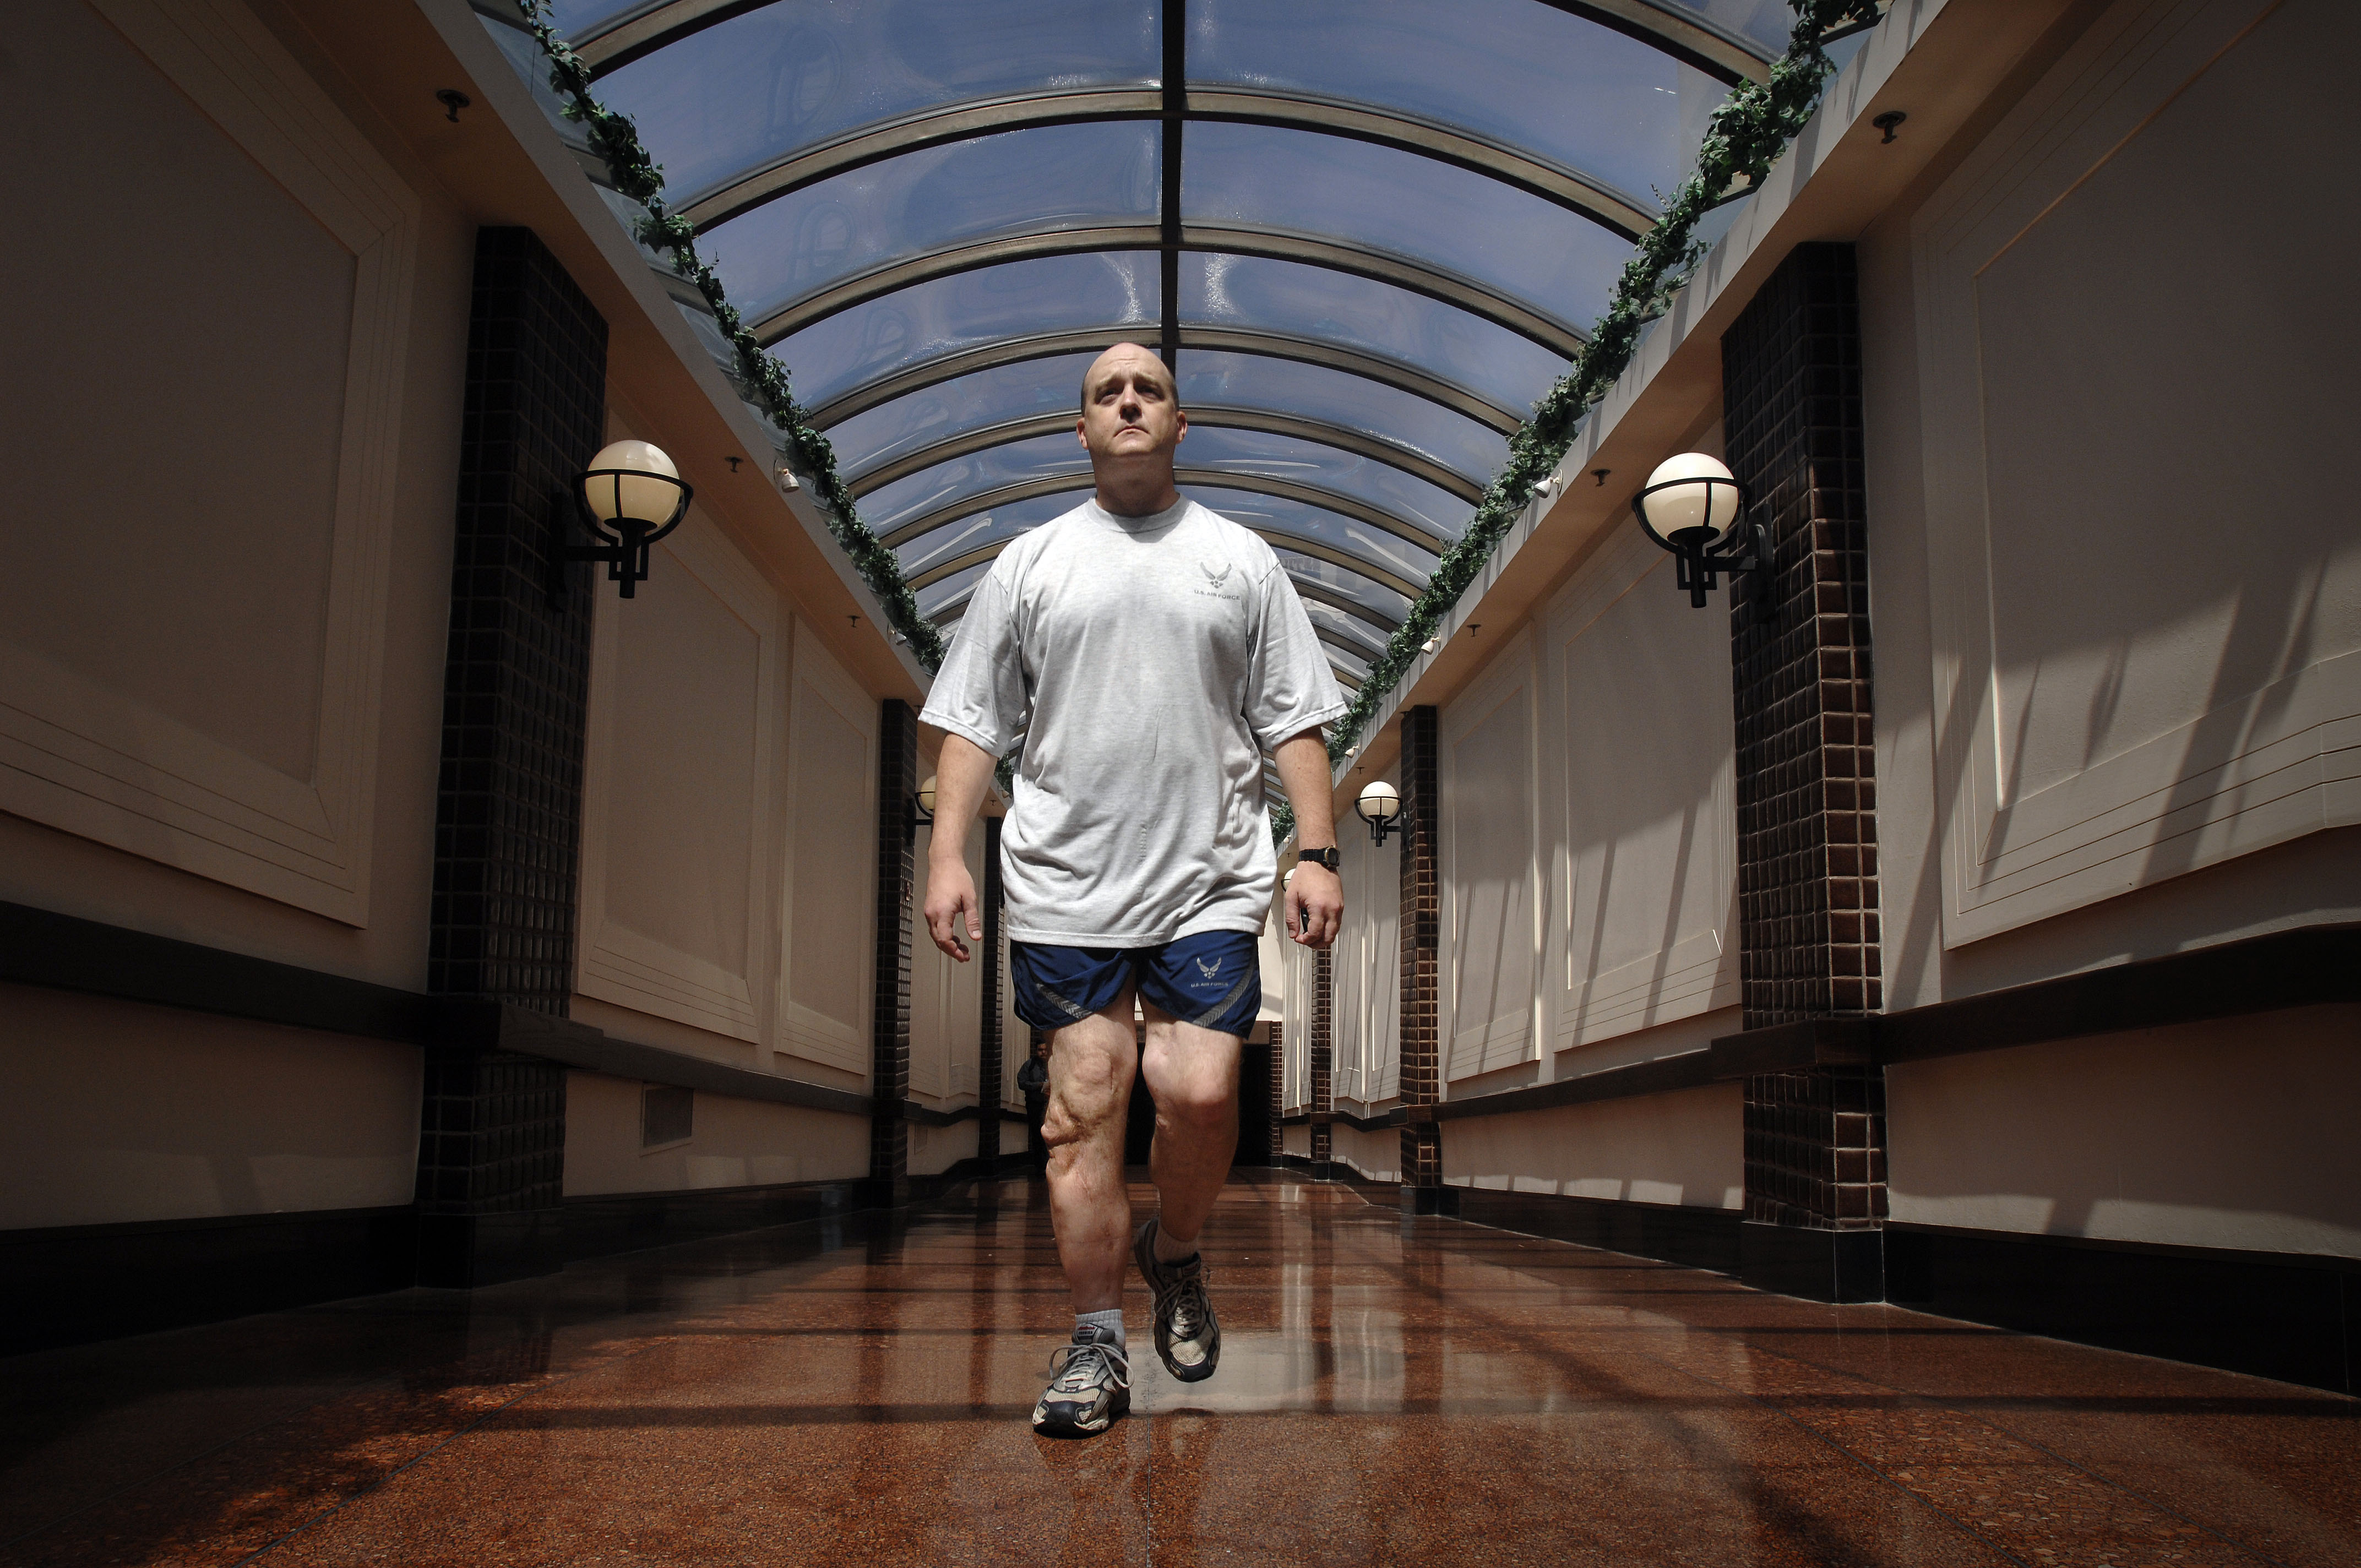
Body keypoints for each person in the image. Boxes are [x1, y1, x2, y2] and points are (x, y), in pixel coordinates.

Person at [919, 342, 1346, 1438]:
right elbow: (970, 722)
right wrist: (948, 853)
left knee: (1202, 1090)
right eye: (1106, 391)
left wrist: (1317, 848)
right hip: (1065, 884)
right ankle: (1097, 1338)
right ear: (1081, 428)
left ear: (1176, 421)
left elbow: (1291, 713)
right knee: (1083, 1109)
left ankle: (1179, 1249)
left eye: (1146, 388)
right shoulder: (1031, 562)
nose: (1126, 401)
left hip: (1205, 876)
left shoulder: (1238, 559)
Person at [1016, 1033, 1052, 1177]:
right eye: (1040, 1050)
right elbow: (1022, 1082)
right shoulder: (1029, 1065)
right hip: (1035, 1106)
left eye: (1045, 1049)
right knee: (1037, 1135)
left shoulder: (1053, 1064)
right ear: (1036, 1051)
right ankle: (1040, 1166)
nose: (1043, 1052)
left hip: (1049, 1106)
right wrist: (1039, 1086)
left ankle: (1049, 1164)